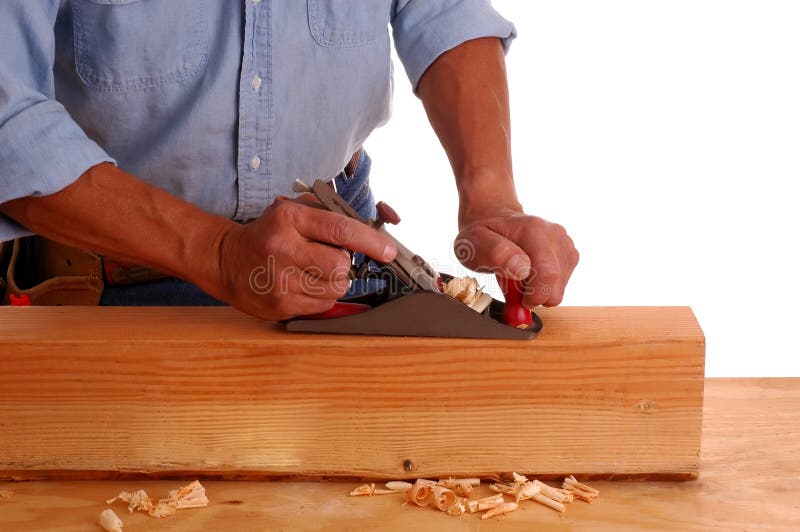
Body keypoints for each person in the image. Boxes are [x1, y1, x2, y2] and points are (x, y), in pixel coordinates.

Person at [0, 1, 578, 320]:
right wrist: (220, 253)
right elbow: (9, 122)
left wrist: (489, 196)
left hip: (336, 257)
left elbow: (443, 12)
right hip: (112, 288)